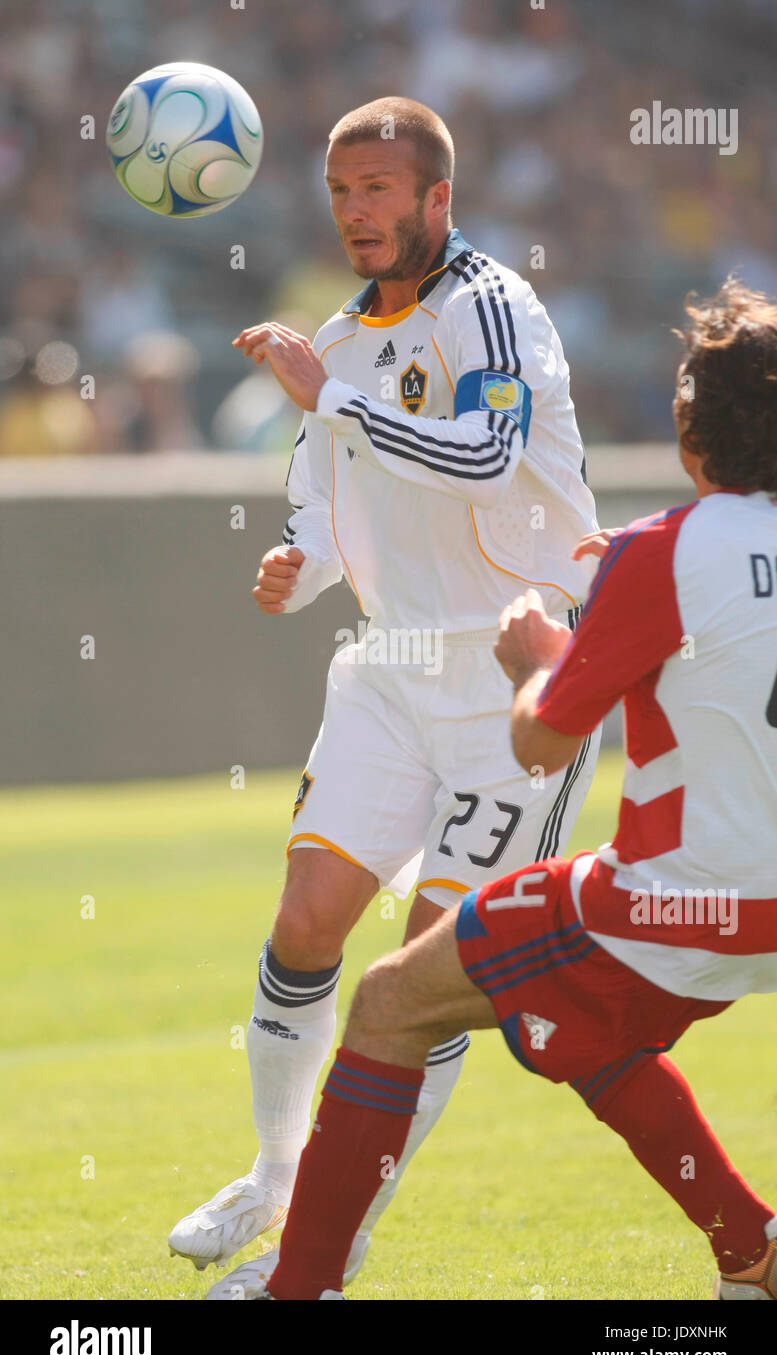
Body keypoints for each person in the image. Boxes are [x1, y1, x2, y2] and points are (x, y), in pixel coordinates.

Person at [209, 276, 777, 1301]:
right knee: (564, 1021)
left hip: (685, 896)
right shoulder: (665, 560)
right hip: (749, 908)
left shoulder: (662, 554)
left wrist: (544, 661)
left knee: (388, 999)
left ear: (692, 433)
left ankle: (297, 1288)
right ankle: (751, 1247)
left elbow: (545, 746)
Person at [169, 96, 599, 1281]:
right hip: (390, 668)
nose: (357, 212)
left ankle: (327, 1243)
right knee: (306, 921)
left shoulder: (492, 307)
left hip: (514, 678)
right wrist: (296, 572)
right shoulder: (344, 339)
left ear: (434, 198)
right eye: (341, 193)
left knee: (421, 978)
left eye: (378, 190)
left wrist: (331, 398)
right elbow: (325, 509)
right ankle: (271, 1179)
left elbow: (487, 455)